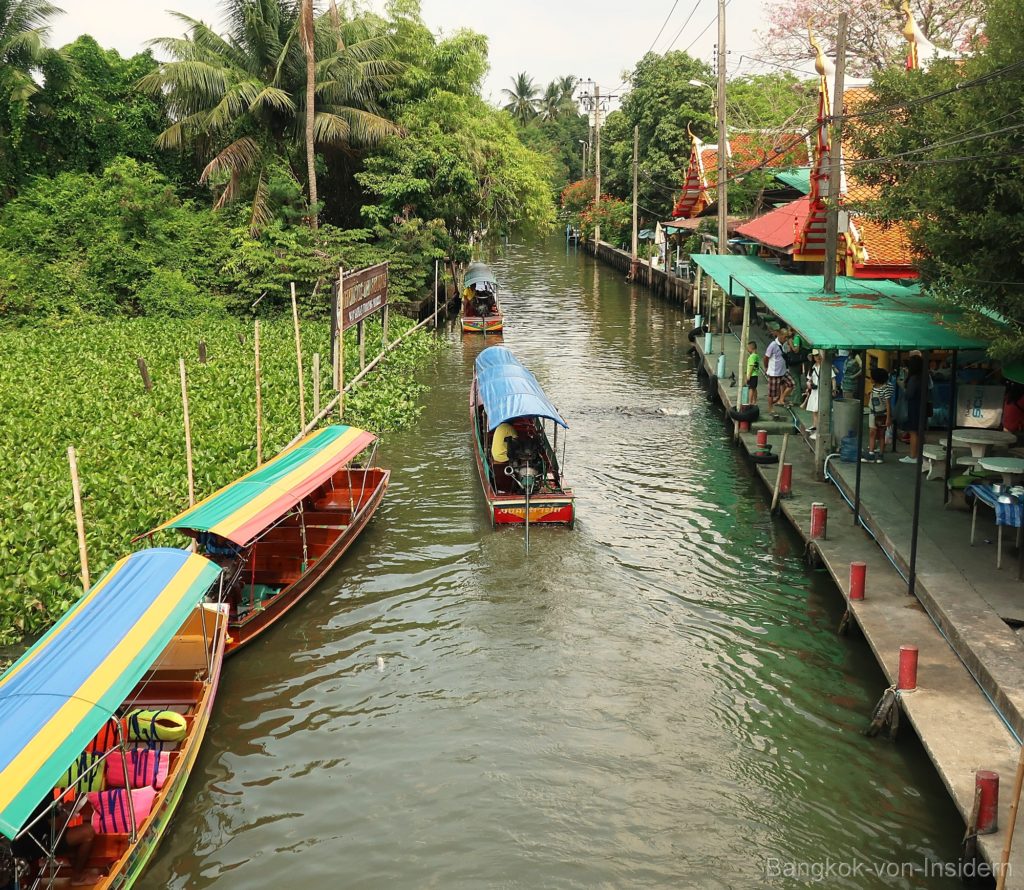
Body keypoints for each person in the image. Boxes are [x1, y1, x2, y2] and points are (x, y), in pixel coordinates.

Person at [13, 795, 95, 886]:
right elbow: (56, 825)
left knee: (77, 836)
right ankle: (77, 877)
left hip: (23, 842)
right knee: (88, 832)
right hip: (35, 844)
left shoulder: (28, 793)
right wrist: (71, 806)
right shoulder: (44, 795)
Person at [802, 350, 836, 440]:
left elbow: (833, 379)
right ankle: (814, 426)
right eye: (815, 356)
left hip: (823, 391)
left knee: (819, 411)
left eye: (818, 355)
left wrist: (833, 389)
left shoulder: (826, 367)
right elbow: (809, 379)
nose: (817, 357)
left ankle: (818, 431)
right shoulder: (812, 368)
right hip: (814, 391)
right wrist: (808, 385)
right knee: (814, 410)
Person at [901, 353, 928, 463]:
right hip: (922, 406)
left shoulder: (913, 379)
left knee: (913, 432)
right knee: (919, 432)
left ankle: (913, 456)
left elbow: (909, 394)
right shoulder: (924, 377)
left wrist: (903, 387)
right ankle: (920, 454)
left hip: (914, 407)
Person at [763, 327, 795, 416]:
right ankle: (770, 408)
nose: (786, 339)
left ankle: (781, 398)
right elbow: (766, 357)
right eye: (785, 337)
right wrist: (766, 367)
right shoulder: (773, 345)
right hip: (774, 373)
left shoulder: (784, 345)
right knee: (772, 393)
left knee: (791, 384)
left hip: (783, 371)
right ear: (780, 335)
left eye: (787, 337)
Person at [863, 368, 893, 463]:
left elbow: (888, 404)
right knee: (872, 432)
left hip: (882, 414)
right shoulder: (874, 387)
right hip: (873, 412)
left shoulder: (885, 389)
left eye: (872, 377)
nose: (870, 379)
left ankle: (881, 454)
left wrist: (888, 417)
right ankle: (871, 453)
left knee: (881, 434)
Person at [745, 340, 759, 407]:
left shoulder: (752, 357)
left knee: (751, 388)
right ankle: (754, 401)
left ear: (751, 348)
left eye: (748, 348)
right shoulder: (756, 356)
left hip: (752, 375)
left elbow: (751, 366)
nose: (747, 350)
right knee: (754, 388)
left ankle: (750, 402)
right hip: (755, 374)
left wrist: (748, 376)